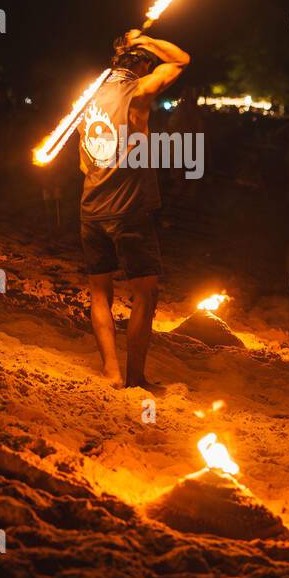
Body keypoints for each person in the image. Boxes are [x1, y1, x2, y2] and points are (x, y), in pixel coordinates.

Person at [80, 28, 189, 388]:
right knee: (146, 292)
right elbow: (181, 60)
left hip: (91, 207)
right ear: (141, 65)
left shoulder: (88, 97)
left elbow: (85, 163)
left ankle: (111, 371)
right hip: (129, 210)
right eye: (146, 64)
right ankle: (136, 377)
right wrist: (144, 38)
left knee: (100, 291)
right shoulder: (138, 92)